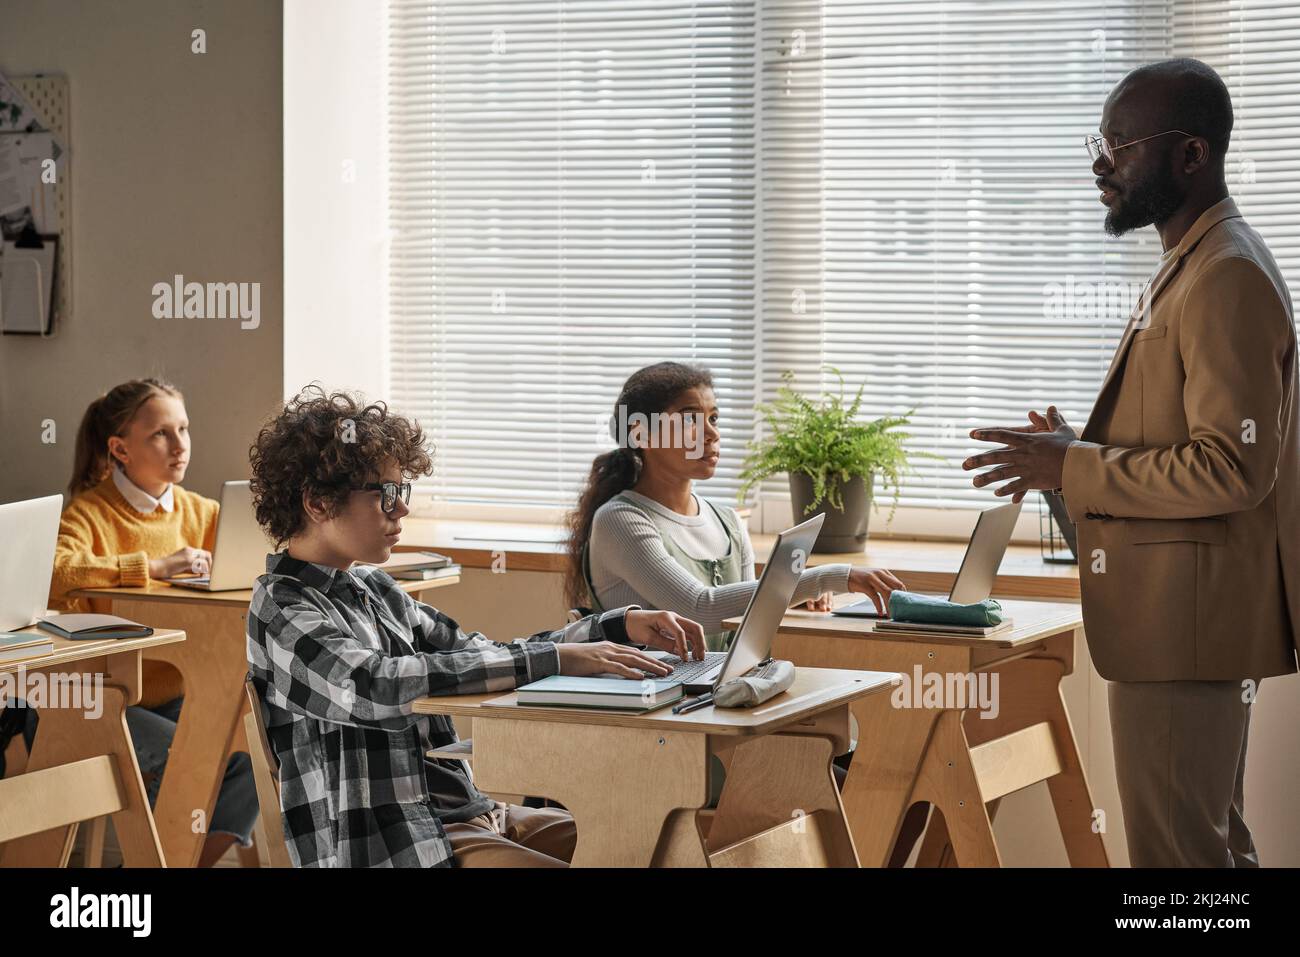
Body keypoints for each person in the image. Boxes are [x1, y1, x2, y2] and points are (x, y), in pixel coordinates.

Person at [964, 58, 1300, 866]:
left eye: (1121, 143)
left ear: (1192, 154)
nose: (1100, 164)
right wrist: (1081, 449)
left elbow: (1233, 468)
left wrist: (1075, 465)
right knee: (1207, 850)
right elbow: (1188, 440)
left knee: (1175, 863)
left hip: (1182, 631)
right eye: (1100, 141)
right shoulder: (1195, 262)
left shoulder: (1225, 273)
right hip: (1177, 624)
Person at [245, 386, 705, 867]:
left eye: (401, 492)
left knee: (658, 845)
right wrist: (557, 660)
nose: (401, 508)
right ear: (318, 502)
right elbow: (371, 686)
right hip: (400, 844)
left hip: (478, 814)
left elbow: (483, 652)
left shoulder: (374, 589)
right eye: (385, 494)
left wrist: (612, 630)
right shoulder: (281, 606)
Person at [567, 361, 927, 865]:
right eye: (691, 418)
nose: (710, 433)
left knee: (903, 792)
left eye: (714, 418)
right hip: (670, 733)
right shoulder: (621, 521)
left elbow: (747, 622)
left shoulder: (727, 519)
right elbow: (702, 608)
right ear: (640, 434)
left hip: (737, 715)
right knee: (859, 796)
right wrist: (826, 577)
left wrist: (795, 597)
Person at [50, 377, 260, 866]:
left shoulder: (204, 512)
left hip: (182, 692)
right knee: (194, 761)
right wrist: (152, 567)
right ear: (120, 449)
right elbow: (58, 572)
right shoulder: (89, 513)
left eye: (183, 429)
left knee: (257, 751)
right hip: (106, 698)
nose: (180, 445)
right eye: (161, 434)